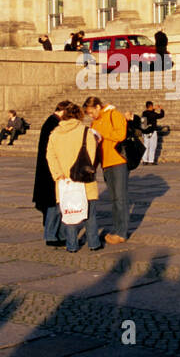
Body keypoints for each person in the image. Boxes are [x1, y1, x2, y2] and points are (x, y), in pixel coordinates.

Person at [46, 102, 102, 253]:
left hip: (64, 181)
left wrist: (58, 174)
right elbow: (91, 156)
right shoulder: (86, 132)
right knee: (90, 212)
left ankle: (72, 245)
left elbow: (50, 156)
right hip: (84, 179)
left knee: (69, 212)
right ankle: (93, 243)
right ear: (79, 115)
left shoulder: (55, 134)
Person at [85, 97, 129, 245]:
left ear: (98, 106)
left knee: (120, 198)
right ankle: (117, 229)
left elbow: (120, 134)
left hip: (117, 161)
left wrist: (103, 134)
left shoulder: (113, 114)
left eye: (92, 112)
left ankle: (121, 232)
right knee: (114, 198)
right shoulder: (94, 123)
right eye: (89, 114)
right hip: (105, 163)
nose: (91, 116)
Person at [33, 102, 70, 247]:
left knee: (56, 203)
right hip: (51, 169)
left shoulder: (51, 121)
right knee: (53, 204)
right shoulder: (53, 124)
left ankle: (59, 235)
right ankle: (51, 235)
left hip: (49, 168)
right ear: (62, 111)